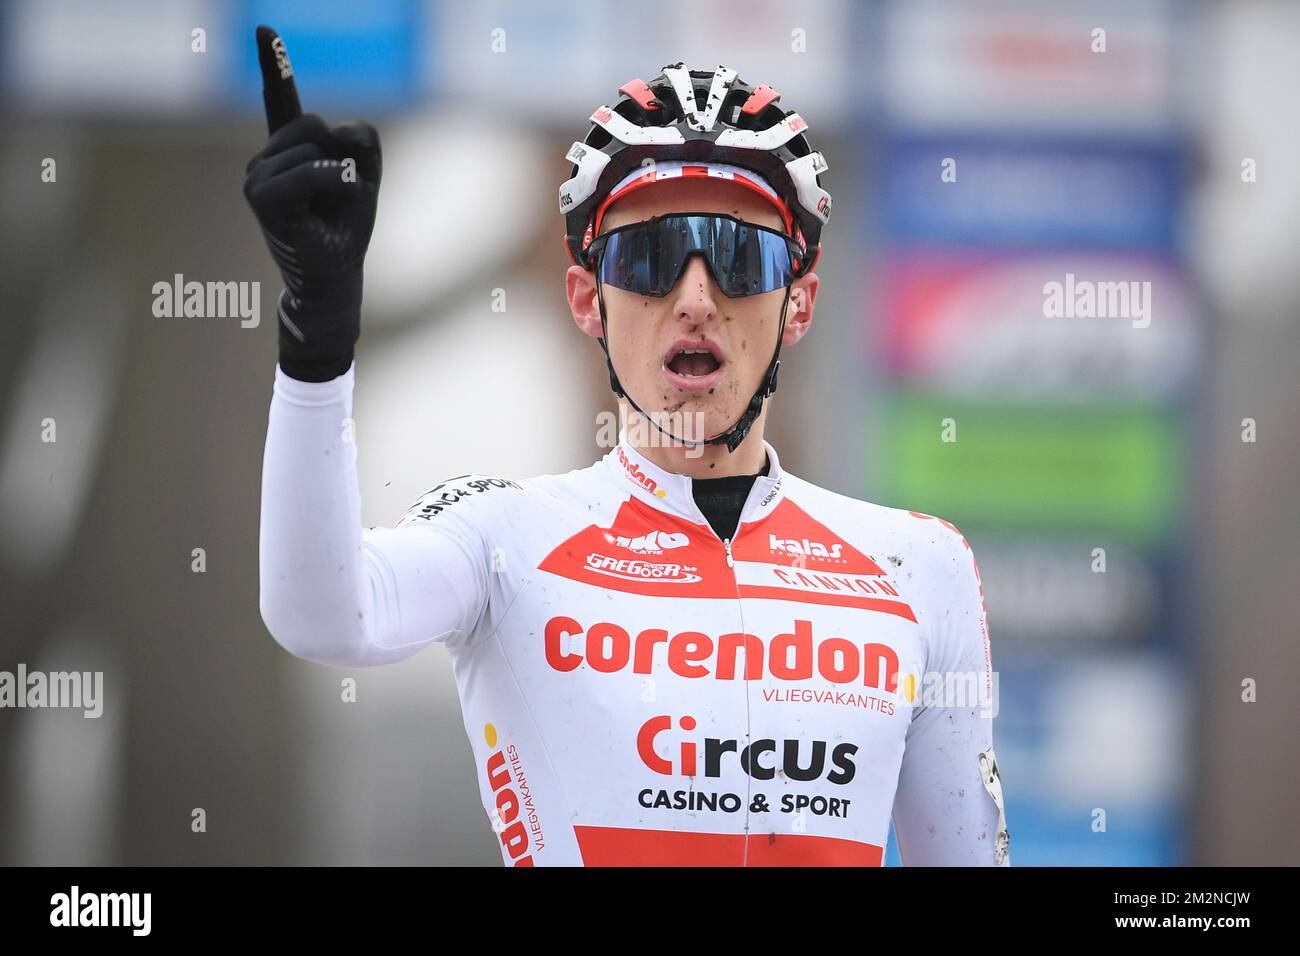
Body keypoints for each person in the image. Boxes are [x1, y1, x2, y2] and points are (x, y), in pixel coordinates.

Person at [247, 25, 1010, 867]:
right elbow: (320, 613)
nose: (693, 297)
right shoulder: (506, 539)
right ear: (586, 301)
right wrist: (316, 342)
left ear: (799, 303)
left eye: (737, 256)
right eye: (648, 259)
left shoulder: (920, 567)